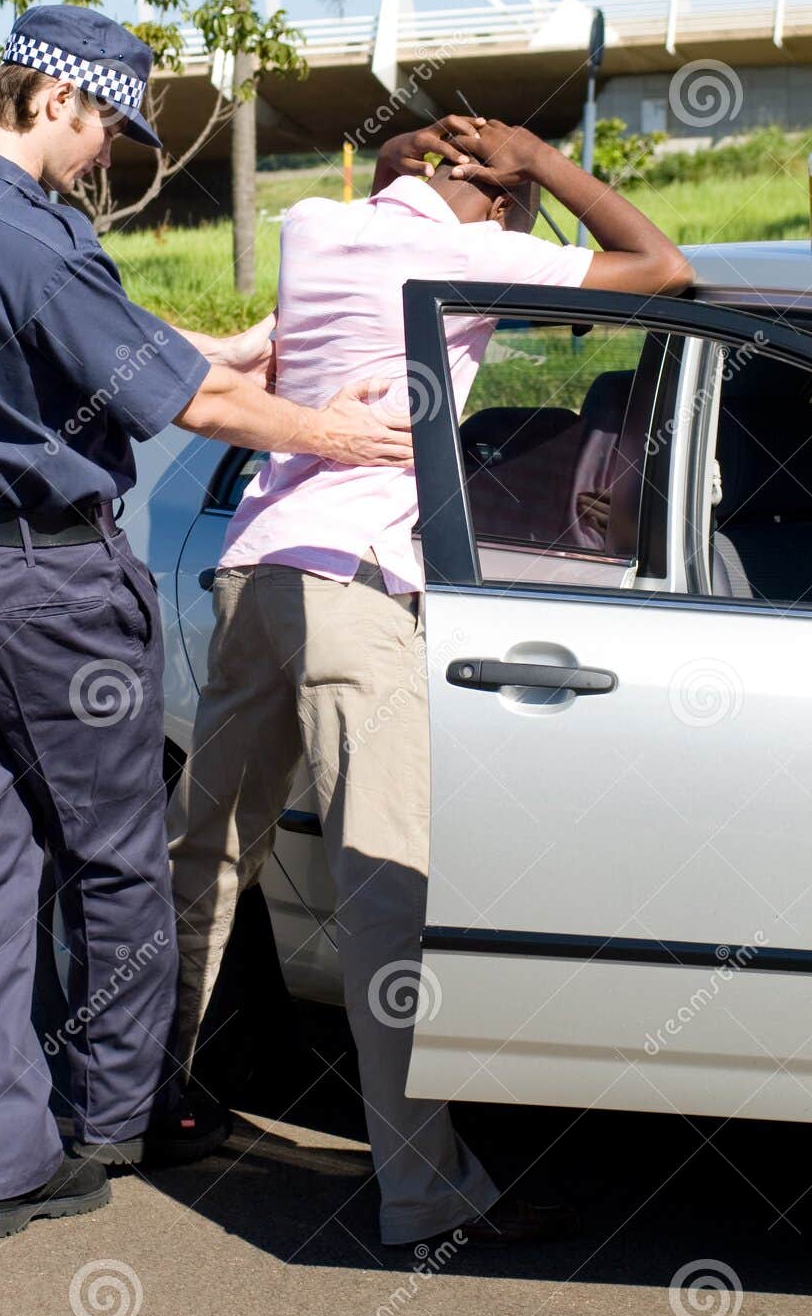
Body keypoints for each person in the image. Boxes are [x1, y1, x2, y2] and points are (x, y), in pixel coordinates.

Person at [0, 3, 415, 1240]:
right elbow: (196, 406)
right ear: (53, 99)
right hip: (42, 587)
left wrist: (228, 348)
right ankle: (120, 1112)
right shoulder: (40, 240)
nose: (103, 152)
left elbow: (75, 348)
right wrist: (341, 431)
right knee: (116, 859)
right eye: (103, 124)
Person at [168, 114, 694, 1258]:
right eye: (516, 194)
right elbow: (662, 271)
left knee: (203, 856)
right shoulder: (478, 256)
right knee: (382, 897)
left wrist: (448, 156)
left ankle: (137, 1101)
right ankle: (421, 1195)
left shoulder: (314, 228)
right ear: (496, 199)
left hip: (251, 572)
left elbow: (242, 360)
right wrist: (545, 166)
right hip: (355, 593)